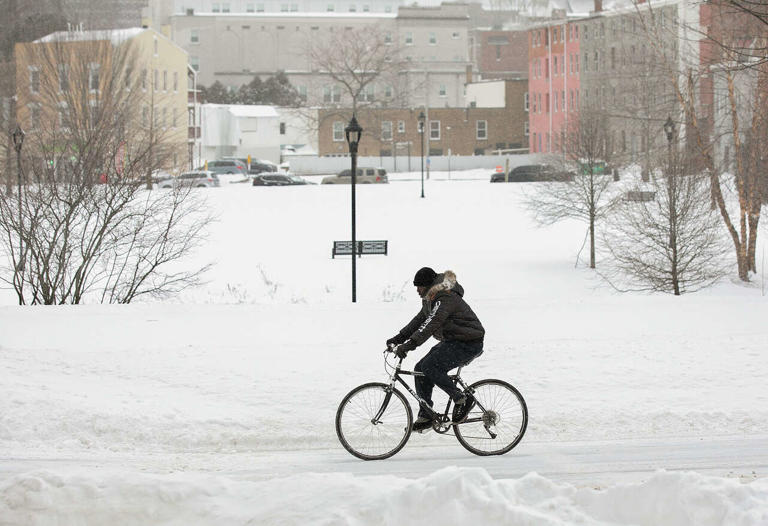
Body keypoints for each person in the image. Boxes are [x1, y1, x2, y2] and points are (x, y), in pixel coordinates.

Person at [386, 267, 485, 433]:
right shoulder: (430, 298)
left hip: (469, 342)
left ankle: (462, 399)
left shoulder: (445, 297)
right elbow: (419, 320)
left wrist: (409, 345)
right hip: (454, 340)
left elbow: (431, 324)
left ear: (428, 285)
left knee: (430, 366)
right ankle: (426, 416)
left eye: (419, 287)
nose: (417, 290)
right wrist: (398, 339)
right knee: (420, 368)